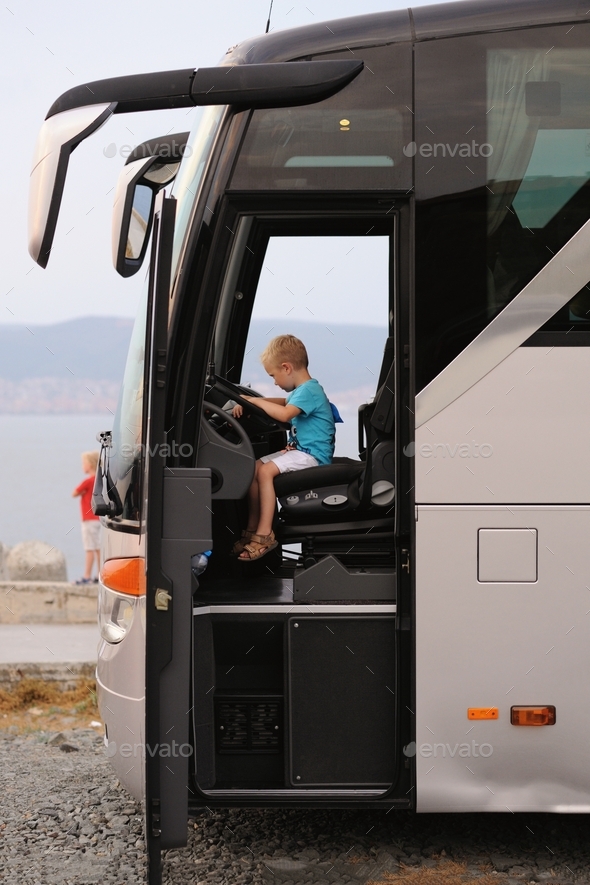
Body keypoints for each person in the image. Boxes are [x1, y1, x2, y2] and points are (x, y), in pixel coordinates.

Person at [232, 334, 335, 562]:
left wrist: (256, 402)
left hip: (313, 456)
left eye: (273, 376)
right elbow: (283, 403)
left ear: (286, 368)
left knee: (266, 471)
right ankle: (252, 528)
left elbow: (285, 413)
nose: (275, 383)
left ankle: (265, 533)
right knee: (255, 467)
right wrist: (249, 402)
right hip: (299, 451)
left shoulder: (310, 390)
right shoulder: (302, 391)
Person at [72, 451, 101, 584]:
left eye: (84, 463)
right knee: (98, 547)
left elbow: (74, 493)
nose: (82, 466)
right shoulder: (99, 480)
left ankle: (87, 576)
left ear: (89, 465)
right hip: (97, 519)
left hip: (89, 519)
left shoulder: (88, 481)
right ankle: (100, 574)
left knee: (89, 547)